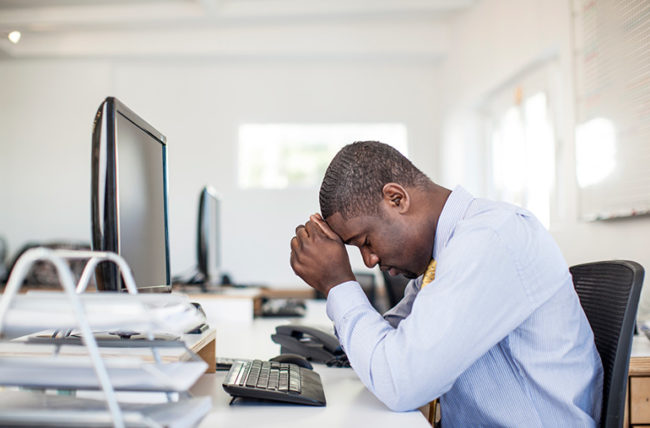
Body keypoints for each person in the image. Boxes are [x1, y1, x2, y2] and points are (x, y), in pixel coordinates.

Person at [290, 141, 603, 427]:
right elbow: (396, 342)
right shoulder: (446, 254)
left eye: (366, 241)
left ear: (396, 198)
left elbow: (400, 382)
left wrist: (339, 283)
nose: (369, 260)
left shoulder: (488, 240)